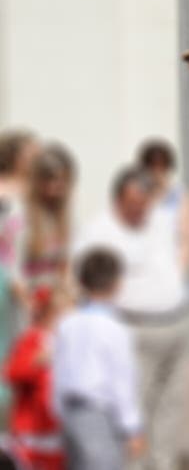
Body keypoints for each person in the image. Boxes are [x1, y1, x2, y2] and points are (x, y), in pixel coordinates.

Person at [72, 168, 188, 470]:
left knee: (168, 406)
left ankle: (164, 464)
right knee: (133, 407)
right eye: (133, 202)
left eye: (143, 201)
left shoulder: (159, 220)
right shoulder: (100, 230)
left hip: (174, 324)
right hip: (133, 328)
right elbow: (82, 281)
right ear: (118, 200)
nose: (139, 208)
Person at [53, 248, 144, 470]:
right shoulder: (115, 329)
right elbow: (122, 381)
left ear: (81, 281)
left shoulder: (67, 324)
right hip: (100, 415)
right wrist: (132, 427)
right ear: (117, 284)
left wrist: (58, 413)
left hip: (70, 413)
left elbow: (57, 374)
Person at [3, 287, 64, 470]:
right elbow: (12, 372)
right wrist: (38, 360)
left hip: (57, 434)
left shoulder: (64, 339)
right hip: (32, 433)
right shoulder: (31, 338)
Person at [0, 130, 38, 407]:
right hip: (8, 277)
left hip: (33, 275)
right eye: (31, 151)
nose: (38, 156)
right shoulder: (3, 191)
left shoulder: (35, 190)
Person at [23, 145, 75, 307]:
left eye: (62, 180)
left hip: (52, 298)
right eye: (51, 179)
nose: (57, 186)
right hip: (26, 296)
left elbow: (64, 265)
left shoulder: (62, 215)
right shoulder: (22, 212)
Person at [137, 139, 189, 275]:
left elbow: (187, 237)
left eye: (161, 166)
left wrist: (179, 270)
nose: (156, 172)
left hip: (171, 268)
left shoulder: (179, 196)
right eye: (152, 166)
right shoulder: (138, 195)